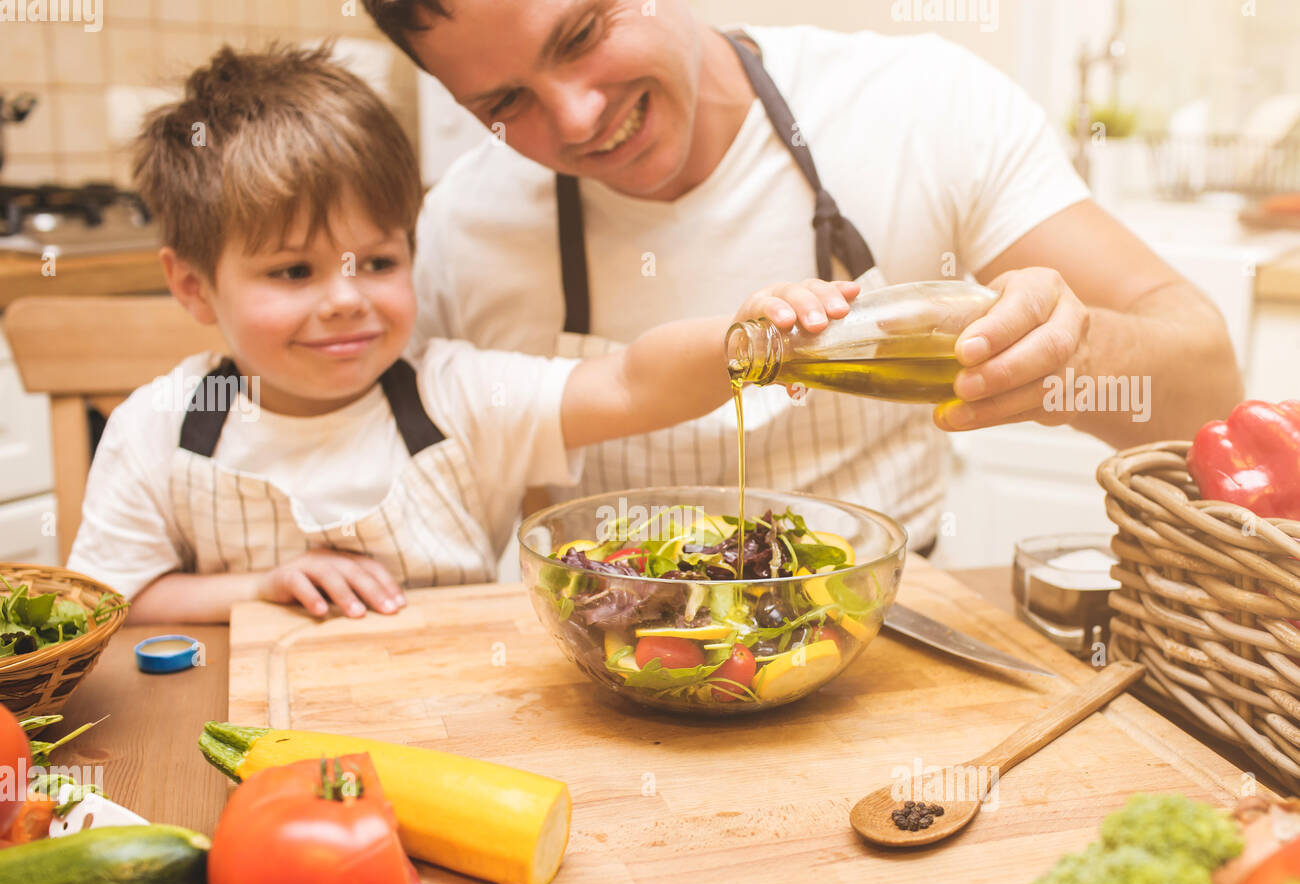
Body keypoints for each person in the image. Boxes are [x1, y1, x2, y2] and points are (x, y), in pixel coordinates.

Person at [364, 1, 1242, 553]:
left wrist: (1070, 355)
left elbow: (1208, 399)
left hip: (903, 654)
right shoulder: (457, 234)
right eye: (504, 104)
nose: (580, 117)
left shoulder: (923, 109)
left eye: (585, 32)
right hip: (638, 676)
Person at [64, 44, 855, 625]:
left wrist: (744, 336)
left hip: (461, 714)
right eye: (293, 274)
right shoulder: (154, 429)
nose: (346, 300)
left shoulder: (458, 394)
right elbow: (119, 601)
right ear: (193, 285)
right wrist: (261, 586)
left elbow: (626, 383)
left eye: (376, 261)